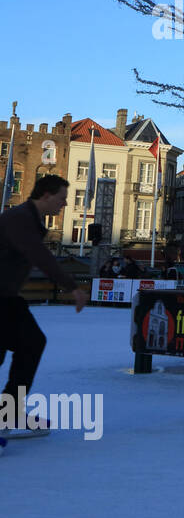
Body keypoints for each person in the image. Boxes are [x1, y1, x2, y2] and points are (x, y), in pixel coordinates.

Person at [0, 175, 89, 439]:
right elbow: (38, 255)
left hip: (5, 298)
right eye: (62, 198)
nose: (64, 203)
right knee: (28, 343)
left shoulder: (30, 220)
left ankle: (9, 411)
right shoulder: (20, 219)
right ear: (46, 195)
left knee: (31, 343)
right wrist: (71, 286)